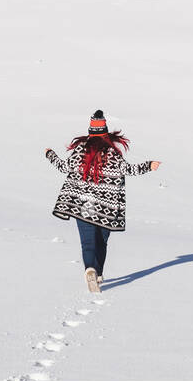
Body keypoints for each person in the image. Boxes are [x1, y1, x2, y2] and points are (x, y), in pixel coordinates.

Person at [44, 110, 160, 293]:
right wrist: (149, 165)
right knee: (102, 242)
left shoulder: (80, 149)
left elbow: (63, 167)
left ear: (90, 132)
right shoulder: (112, 153)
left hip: (82, 205)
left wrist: (50, 154)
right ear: (105, 133)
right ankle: (97, 274)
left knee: (88, 243)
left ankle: (89, 269)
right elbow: (129, 170)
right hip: (107, 209)